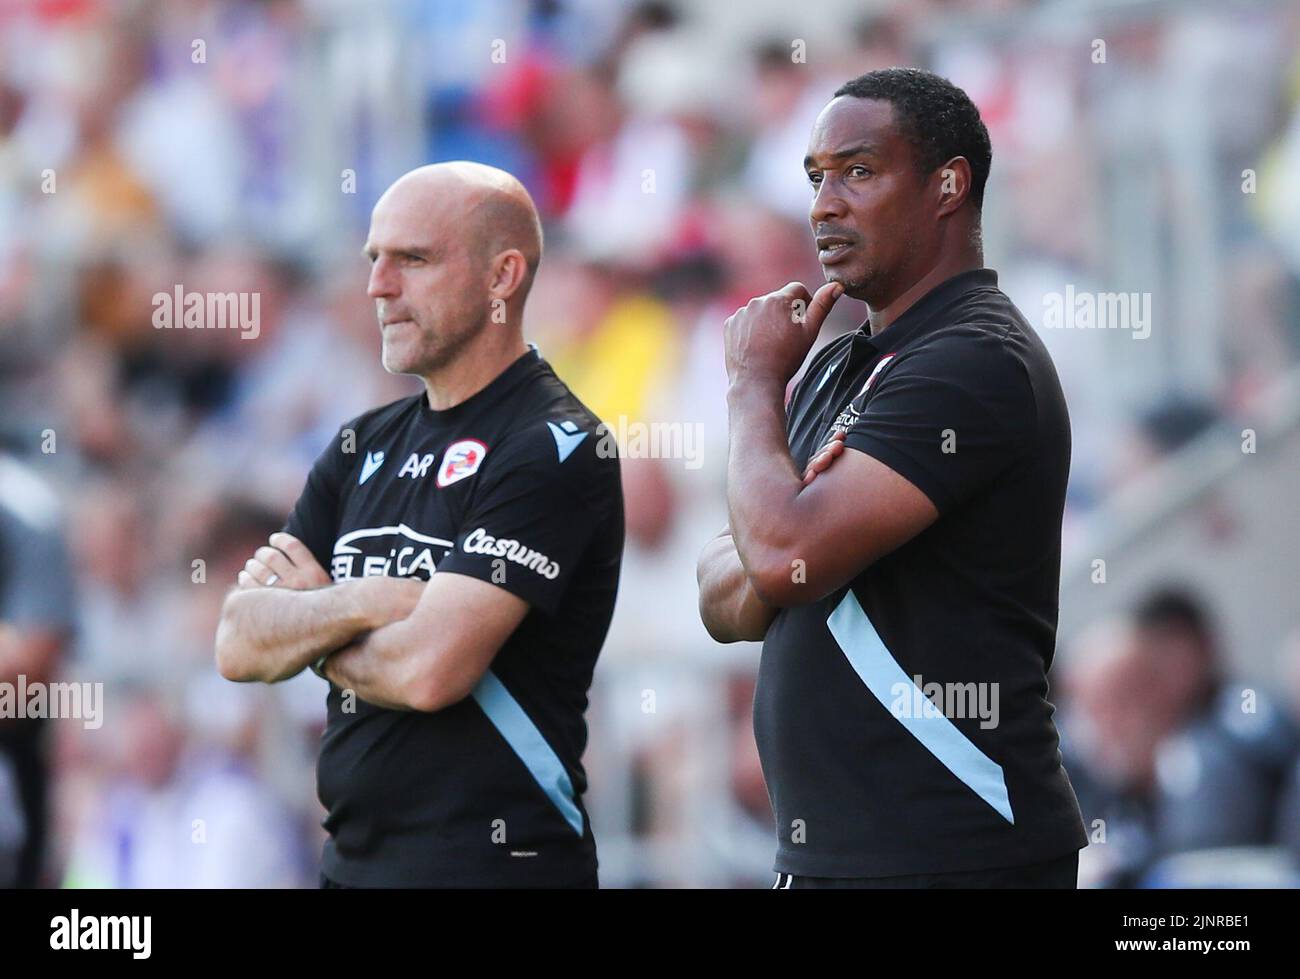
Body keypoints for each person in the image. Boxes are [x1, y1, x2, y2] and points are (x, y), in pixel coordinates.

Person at [696, 68, 1087, 888]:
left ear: (949, 185)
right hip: (833, 857)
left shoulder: (974, 358)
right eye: (815, 177)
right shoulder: (841, 365)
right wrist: (790, 528)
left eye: (859, 172)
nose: (823, 204)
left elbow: (772, 554)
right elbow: (722, 598)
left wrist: (752, 389)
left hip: (955, 852)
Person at [216, 162, 624, 888]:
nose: (378, 285)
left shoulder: (554, 443)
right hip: (352, 865)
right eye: (375, 259)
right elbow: (239, 641)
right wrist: (370, 601)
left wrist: (310, 621)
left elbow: (430, 670)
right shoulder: (359, 444)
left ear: (502, 278)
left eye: (414, 259)